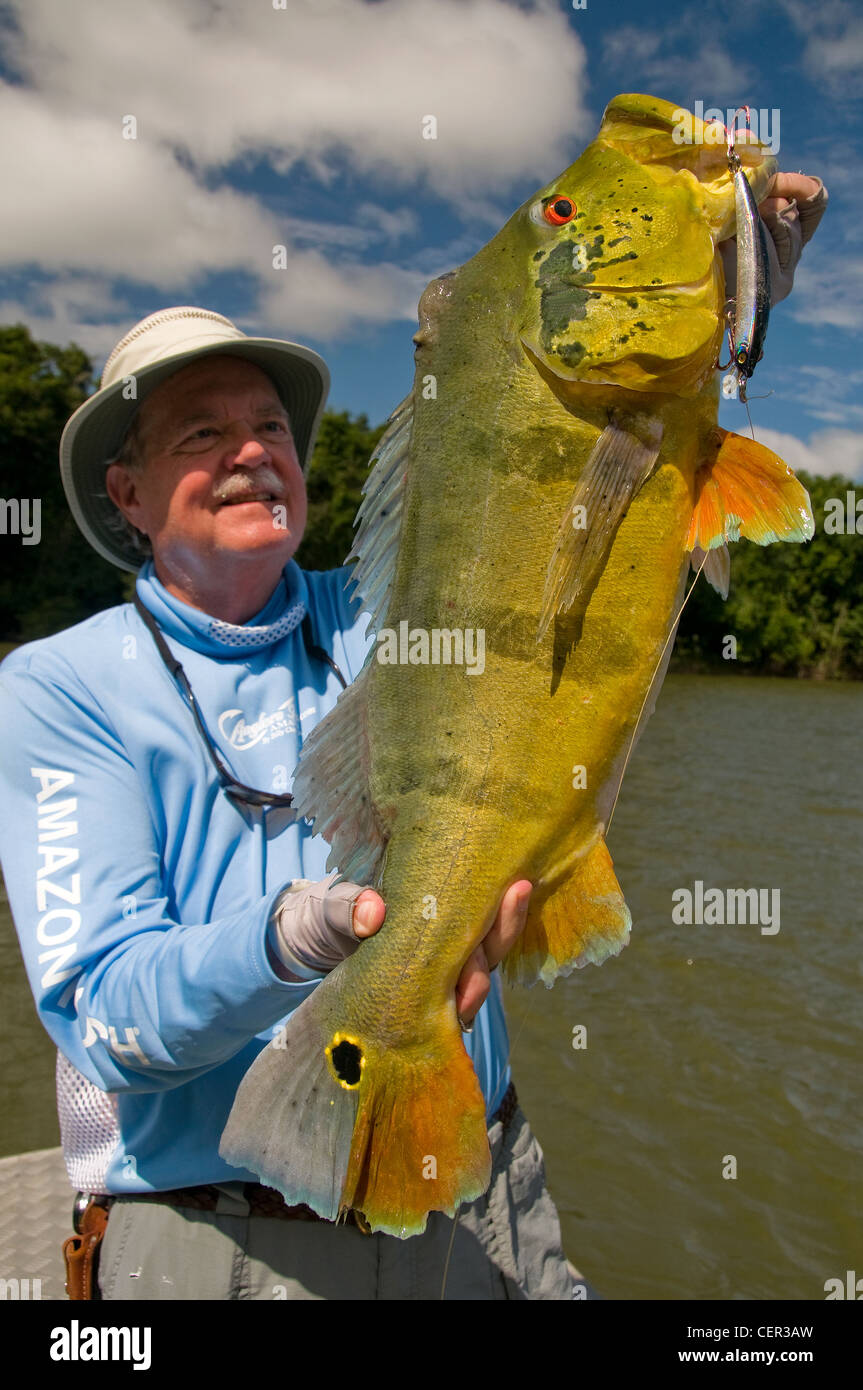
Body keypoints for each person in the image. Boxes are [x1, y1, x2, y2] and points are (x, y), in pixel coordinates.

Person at [0, 170, 827, 1301]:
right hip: (218, 1239)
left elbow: (576, 525)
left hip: (479, 1192)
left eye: (268, 427)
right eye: (203, 433)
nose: (252, 450)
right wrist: (292, 939)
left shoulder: (400, 619)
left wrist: (722, 304)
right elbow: (103, 1015)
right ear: (128, 492)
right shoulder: (57, 685)